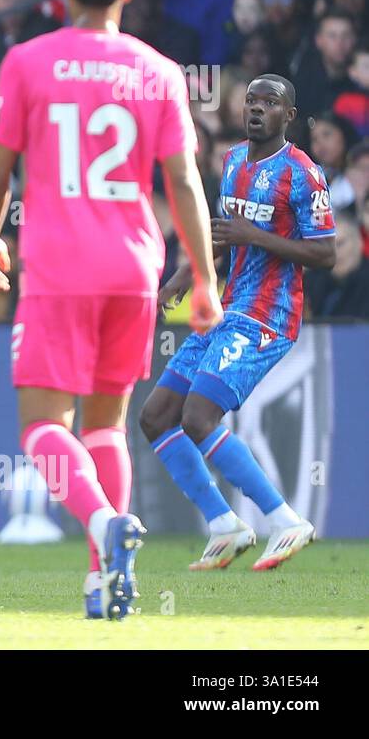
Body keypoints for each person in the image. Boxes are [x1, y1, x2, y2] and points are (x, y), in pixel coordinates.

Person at [0, 0, 222, 620]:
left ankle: (104, 523)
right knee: (105, 428)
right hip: (134, 269)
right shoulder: (159, 71)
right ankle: (103, 579)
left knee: (41, 429)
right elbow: (184, 181)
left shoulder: (28, 61)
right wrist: (203, 277)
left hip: (58, 267)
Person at [140, 75, 336, 572]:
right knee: (157, 415)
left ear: (288, 115)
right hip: (228, 312)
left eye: (269, 103)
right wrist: (186, 274)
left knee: (198, 416)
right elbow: (226, 235)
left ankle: (284, 520)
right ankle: (225, 525)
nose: (257, 109)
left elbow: (325, 253)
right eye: (251, 101)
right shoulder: (232, 162)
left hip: (269, 317)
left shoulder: (303, 173)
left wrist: (258, 235)